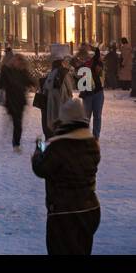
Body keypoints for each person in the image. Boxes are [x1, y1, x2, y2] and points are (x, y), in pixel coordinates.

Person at [31, 97, 101, 255]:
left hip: (65, 213)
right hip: (90, 209)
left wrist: (38, 151)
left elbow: (40, 168)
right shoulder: (92, 143)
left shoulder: (59, 146)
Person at [0, 52, 35, 151]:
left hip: (20, 100)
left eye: (20, 62)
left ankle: (16, 143)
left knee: (18, 123)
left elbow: (31, 81)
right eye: (17, 61)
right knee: (16, 122)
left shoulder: (23, 72)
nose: (19, 63)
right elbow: (0, 83)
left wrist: (33, 84)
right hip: (11, 100)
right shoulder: (6, 70)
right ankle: (15, 143)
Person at [41, 49, 76, 136]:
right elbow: (69, 86)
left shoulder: (51, 73)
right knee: (62, 115)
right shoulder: (64, 72)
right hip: (62, 96)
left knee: (53, 115)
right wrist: (70, 95)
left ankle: (53, 132)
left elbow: (46, 86)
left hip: (51, 97)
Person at [78, 46, 104, 140]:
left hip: (98, 92)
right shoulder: (84, 65)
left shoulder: (96, 62)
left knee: (97, 116)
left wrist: (92, 48)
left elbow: (97, 53)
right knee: (87, 116)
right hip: (88, 94)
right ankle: (86, 135)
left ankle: (95, 136)